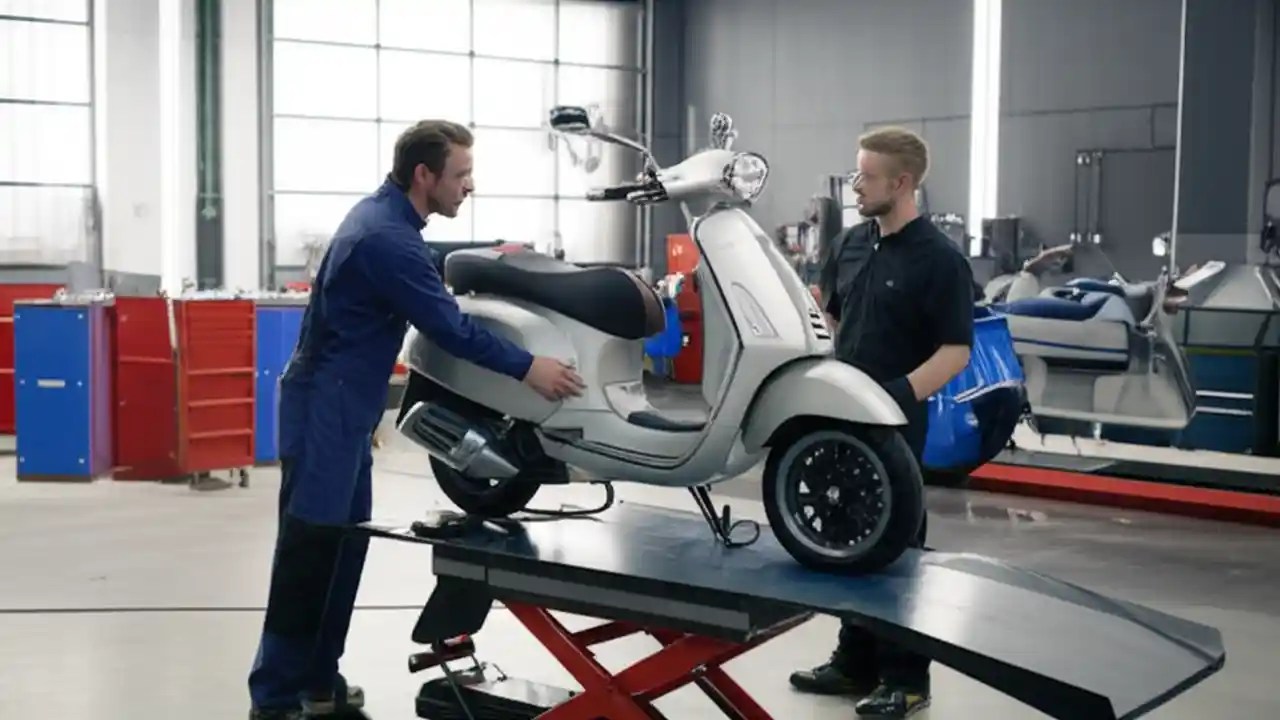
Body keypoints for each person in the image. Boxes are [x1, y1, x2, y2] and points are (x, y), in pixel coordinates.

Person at [247, 120, 585, 720]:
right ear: (424, 175)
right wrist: (528, 367)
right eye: (461, 174)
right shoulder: (388, 241)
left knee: (342, 551)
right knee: (309, 553)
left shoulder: (390, 222)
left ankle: (318, 680)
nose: (469, 186)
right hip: (326, 407)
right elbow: (449, 329)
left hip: (346, 408)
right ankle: (274, 699)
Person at [797, 127, 974, 719]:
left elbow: (956, 351)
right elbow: (830, 319)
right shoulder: (849, 244)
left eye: (866, 177)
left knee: (897, 548)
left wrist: (894, 399)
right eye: (855, 173)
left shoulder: (940, 260)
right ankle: (853, 662)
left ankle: (907, 678)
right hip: (841, 420)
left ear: (901, 183)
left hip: (896, 426)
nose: (855, 185)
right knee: (849, 540)